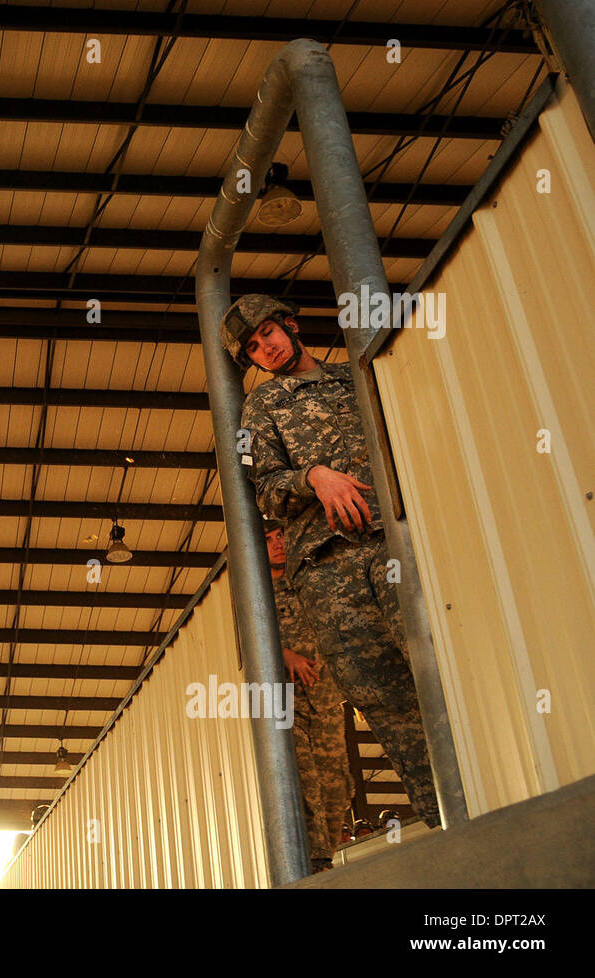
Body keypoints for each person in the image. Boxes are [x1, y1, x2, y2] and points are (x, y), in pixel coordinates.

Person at [223, 294, 440, 826]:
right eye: (252, 348)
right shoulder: (260, 408)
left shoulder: (356, 377)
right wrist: (313, 476)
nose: (265, 349)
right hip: (325, 569)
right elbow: (264, 490)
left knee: (438, 664)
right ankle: (442, 815)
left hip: (393, 541)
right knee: (379, 692)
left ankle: (490, 784)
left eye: (268, 334)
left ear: (291, 325)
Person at [265, 520, 352, 871]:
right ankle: (313, 860)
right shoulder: (256, 595)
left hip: (327, 698)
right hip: (288, 703)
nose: (276, 543)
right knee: (305, 780)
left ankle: (327, 857)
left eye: (279, 536)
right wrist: (283, 654)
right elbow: (243, 646)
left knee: (338, 782)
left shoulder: (311, 582)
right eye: (267, 539)